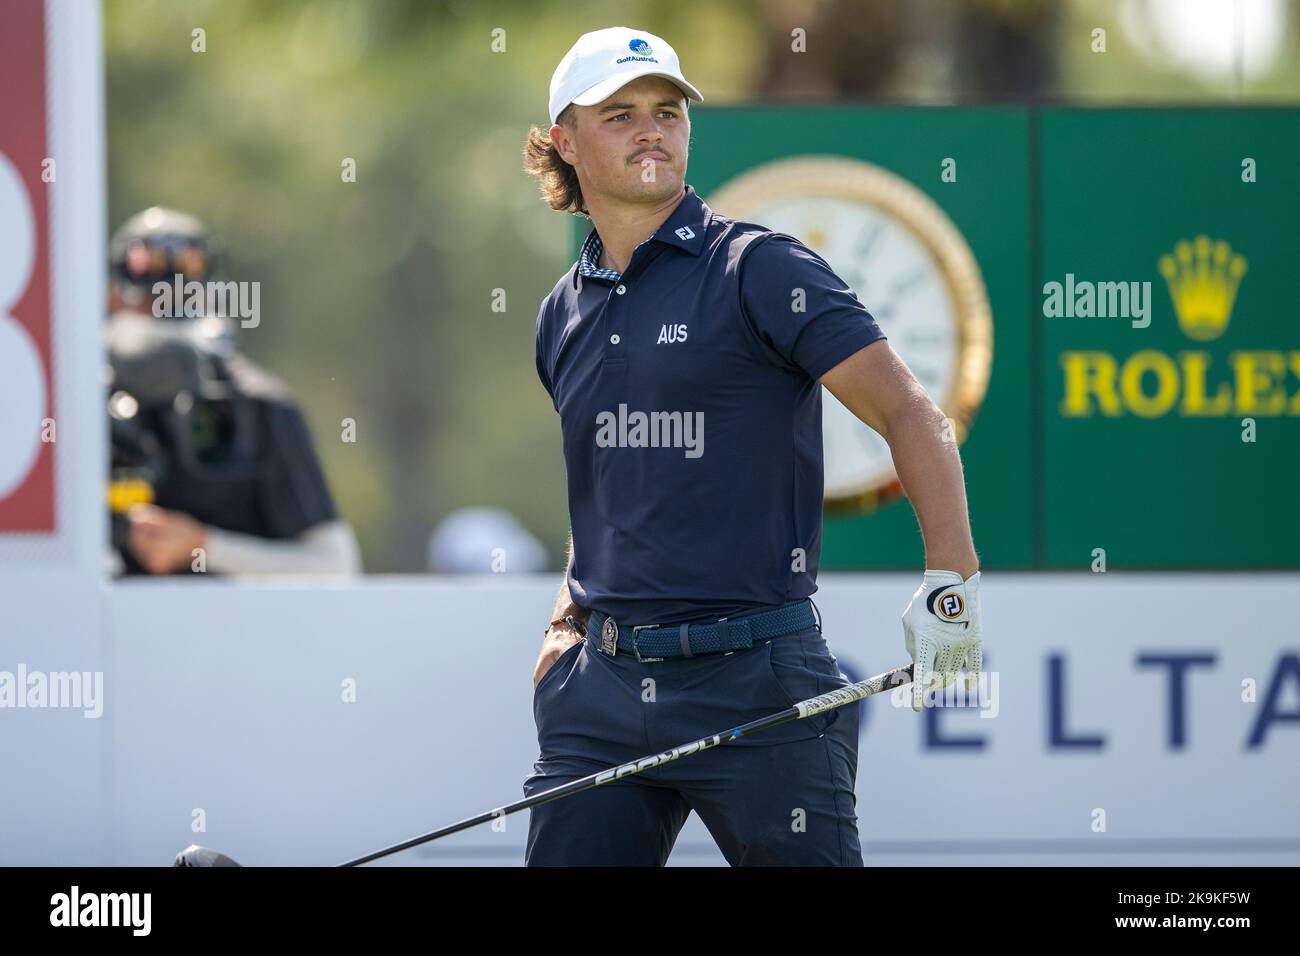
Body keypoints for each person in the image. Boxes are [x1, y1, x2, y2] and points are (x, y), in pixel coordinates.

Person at [521, 26, 983, 866]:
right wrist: (564, 625)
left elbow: (914, 417)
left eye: (667, 111)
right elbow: (604, 490)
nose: (652, 129)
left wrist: (952, 588)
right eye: (620, 115)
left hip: (759, 678)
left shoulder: (760, 269)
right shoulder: (563, 311)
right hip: (604, 690)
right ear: (564, 141)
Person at [106, 206, 361, 577]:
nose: (166, 308)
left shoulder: (259, 405)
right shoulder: (78, 408)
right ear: (113, 298)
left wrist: (203, 546)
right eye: (150, 295)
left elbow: (336, 567)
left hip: (233, 632)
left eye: (182, 292)